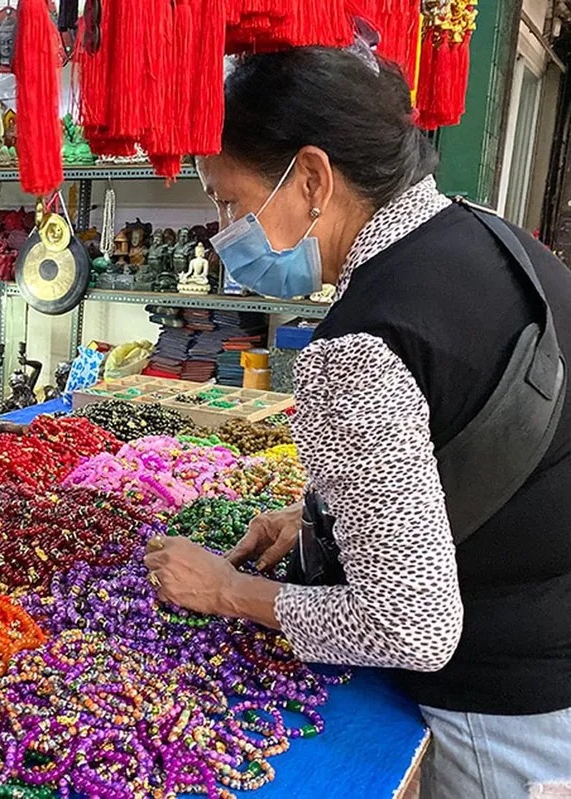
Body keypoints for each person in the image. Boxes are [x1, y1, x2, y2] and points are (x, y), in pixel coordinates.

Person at [142, 47, 571, 799]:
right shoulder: (493, 240)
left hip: (504, 711)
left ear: (312, 179)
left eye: (231, 203)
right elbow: (481, 448)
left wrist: (225, 591)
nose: (223, 232)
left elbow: (409, 625)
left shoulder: (359, 343)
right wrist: (329, 517)